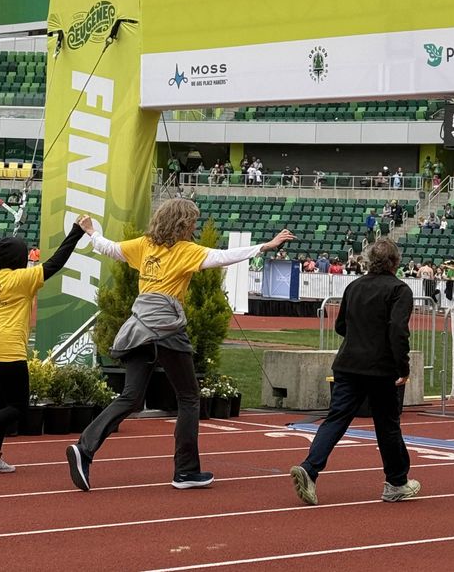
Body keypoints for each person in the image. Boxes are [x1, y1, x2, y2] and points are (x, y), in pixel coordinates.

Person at [66, 199, 295, 492]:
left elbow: (110, 248)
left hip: (137, 327)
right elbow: (223, 256)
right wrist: (265, 246)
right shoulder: (186, 250)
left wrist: (91, 232)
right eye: (193, 222)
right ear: (183, 224)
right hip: (166, 328)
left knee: (131, 398)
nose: (195, 227)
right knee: (188, 397)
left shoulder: (144, 245)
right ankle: (185, 471)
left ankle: (85, 448)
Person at [289, 238, 419, 506]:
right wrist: (402, 367)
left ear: (370, 260)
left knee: (336, 419)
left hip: (348, 364)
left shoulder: (354, 286)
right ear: (395, 262)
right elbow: (398, 330)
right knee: (387, 425)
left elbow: (340, 326)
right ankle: (396, 482)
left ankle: (310, 468)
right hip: (380, 368)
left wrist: (360, 336)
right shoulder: (399, 290)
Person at [0, 201, 85, 473]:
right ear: (19, 260)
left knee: (3, 404)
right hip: (7, 353)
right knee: (18, 406)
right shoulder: (24, 280)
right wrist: (77, 231)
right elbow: (56, 262)